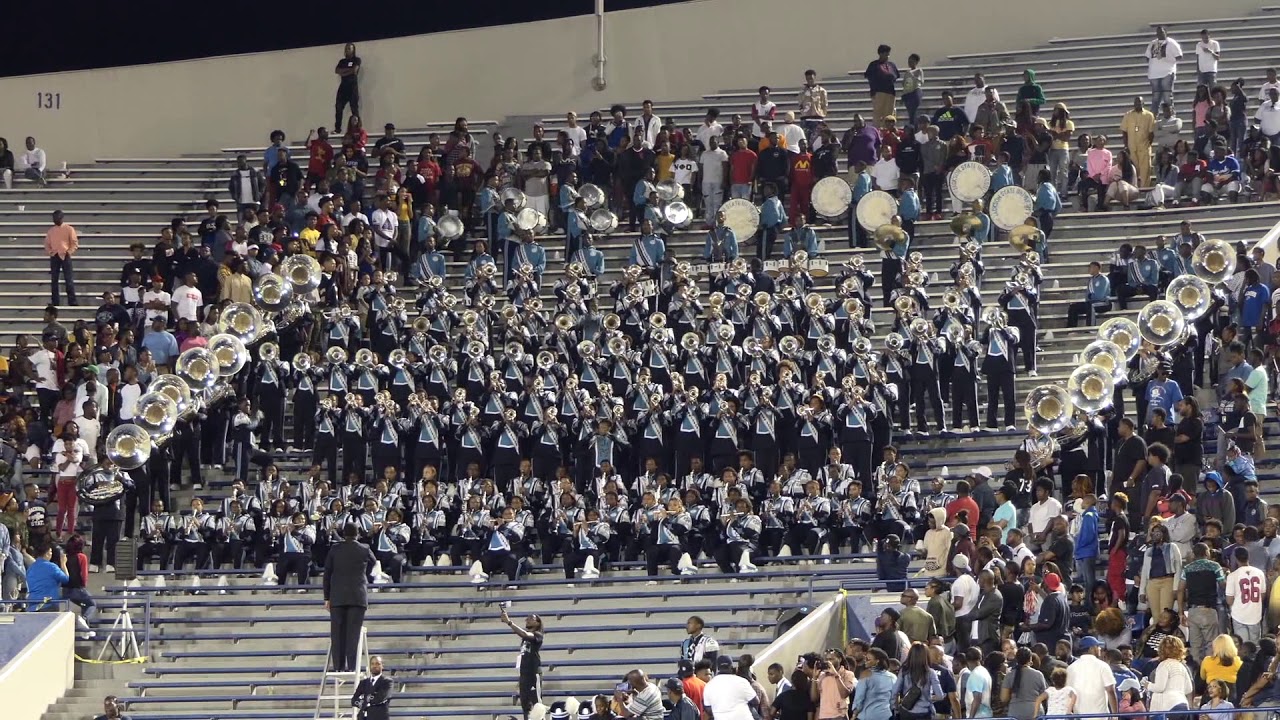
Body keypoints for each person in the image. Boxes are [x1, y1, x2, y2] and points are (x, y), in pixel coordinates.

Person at [323, 524, 376, 673]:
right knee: (353, 633)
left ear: (343, 533)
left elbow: (327, 574)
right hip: (358, 595)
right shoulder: (364, 549)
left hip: (337, 596)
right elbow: (374, 562)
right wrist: (364, 573)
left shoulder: (335, 549)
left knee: (337, 633)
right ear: (358, 533)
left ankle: (339, 667)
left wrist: (327, 597)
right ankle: (352, 666)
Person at [501, 606, 545, 719]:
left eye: (531, 618)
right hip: (524, 676)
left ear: (538, 623)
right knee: (525, 705)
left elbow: (525, 634)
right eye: (527, 618)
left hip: (533, 675)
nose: (527, 620)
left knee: (537, 706)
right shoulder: (525, 639)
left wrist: (509, 622)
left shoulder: (538, 635)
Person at [1225, 545, 1265, 643]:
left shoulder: (1232, 576)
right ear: (1248, 557)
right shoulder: (1259, 573)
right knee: (1255, 647)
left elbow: (1229, 601)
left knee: (1242, 646)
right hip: (1255, 614)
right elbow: (1262, 596)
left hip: (1239, 615)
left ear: (1236, 558)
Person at [1148, 635, 1194, 714]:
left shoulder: (1164, 665)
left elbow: (1160, 688)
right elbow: (1189, 689)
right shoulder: (1182, 666)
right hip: (1183, 705)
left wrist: (1148, 685)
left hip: (1168, 706)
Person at [45, 209, 79, 306]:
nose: (55, 220)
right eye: (54, 218)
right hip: (55, 255)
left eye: (57, 218)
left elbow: (74, 243)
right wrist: (50, 252)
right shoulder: (51, 230)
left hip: (65, 255)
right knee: (54, 280)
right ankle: (55, 301)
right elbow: (47, 244)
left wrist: (69, 251)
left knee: (69, 279)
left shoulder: (69, 229)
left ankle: (72, 301)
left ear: (62, 218)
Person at [1145, 26, 1183, 112]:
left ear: (1165, 32)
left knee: (1167, 97)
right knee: (1155, 98)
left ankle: (1171, 116)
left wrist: (1166, 59)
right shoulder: (1152, 43)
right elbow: (1147, 57)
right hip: (1154, 74)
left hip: (1167, 72)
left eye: (1161, 32)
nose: (1159, 34)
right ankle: (1153, 118)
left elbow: (1179, 56)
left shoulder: (1171, 43)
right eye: (1158, 32)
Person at [850, 648, 895, 720]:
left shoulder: (865, 675)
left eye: (868, 659)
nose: (865, 661)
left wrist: (854, 714)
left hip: (867, 715)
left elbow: (859, 698)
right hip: (886, 715)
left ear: (877, 661)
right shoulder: (892, 677)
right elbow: (893, 699)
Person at [351, 655, 392, 720]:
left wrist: (366, 702)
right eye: (372, 664)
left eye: (377, 664)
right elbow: (354, 700)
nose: (374, 666)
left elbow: (380, 698)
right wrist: (364, 703)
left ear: (382, 666)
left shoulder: (387, 682)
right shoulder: (363, 683)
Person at [334, 43, 361, 133]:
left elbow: (354, 70)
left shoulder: (357, 60)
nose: (348, 50)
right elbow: (337, 70)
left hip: (352, 87)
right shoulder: (342, 61)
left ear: (353, 50)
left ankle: (357, 128)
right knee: (338, 107)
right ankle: (337, 128)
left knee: (354, 109)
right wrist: (348, 71)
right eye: (347, 48)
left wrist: (344, 72)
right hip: (343, 87)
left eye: (350, 48)